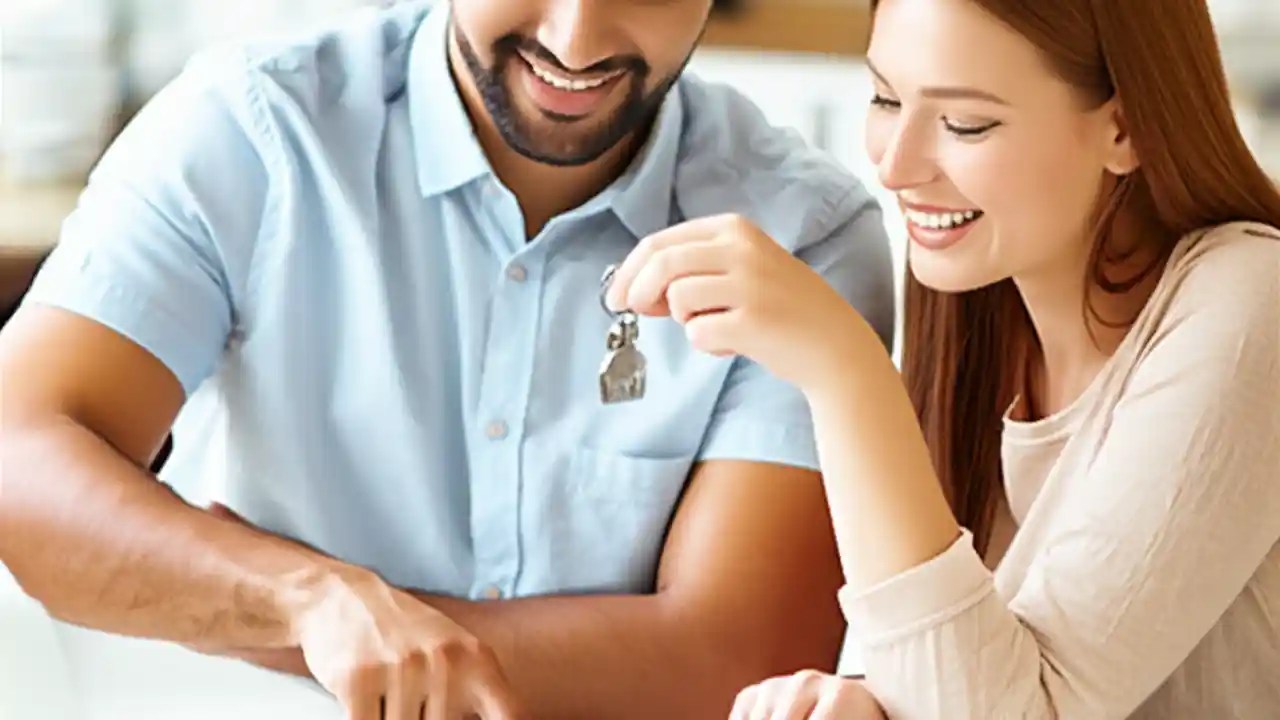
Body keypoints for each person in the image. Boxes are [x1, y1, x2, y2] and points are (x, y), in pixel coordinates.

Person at [0, 1, 897, 718]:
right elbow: (20, 461)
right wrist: (311, 603)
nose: (574, 37)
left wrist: (252, 613)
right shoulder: (255, 128)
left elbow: (736, 658)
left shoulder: (804, 238)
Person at [604, 0, 1280, 717]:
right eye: (886, 99)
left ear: (1126, 125)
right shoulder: (981, 317)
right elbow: (960, 674)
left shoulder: (1252, 298)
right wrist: (867, 702)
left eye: (966, 124)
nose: (895, 166)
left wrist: (844, 369)